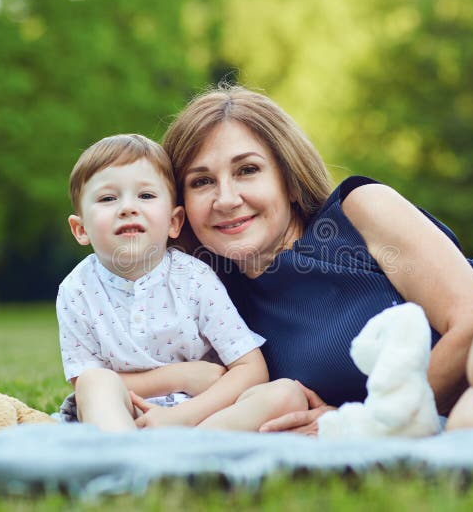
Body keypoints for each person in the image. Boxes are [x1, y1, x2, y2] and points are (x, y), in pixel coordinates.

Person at [161, 84, 473, 435]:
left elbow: (472, 319)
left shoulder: (357, 212)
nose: (226, 198)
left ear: (288, 181)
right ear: (180, 210)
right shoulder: (223, 315)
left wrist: (360, 424)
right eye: (202, 182)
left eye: (247, 170)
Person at [57, 133, 307, 432]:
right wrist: (181, 376)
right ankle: (125, 451)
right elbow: (82, 381)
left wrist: (182, 416)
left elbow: (251, 369)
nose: (127, 207)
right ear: (81, 229)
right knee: (95, 381)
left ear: (174, 222)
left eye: (145, 196)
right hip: (125, 416)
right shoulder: (77, 290)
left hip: (204, 416)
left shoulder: (194, 279)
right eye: (108, 199)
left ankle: (186, 445)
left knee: (287, 395)